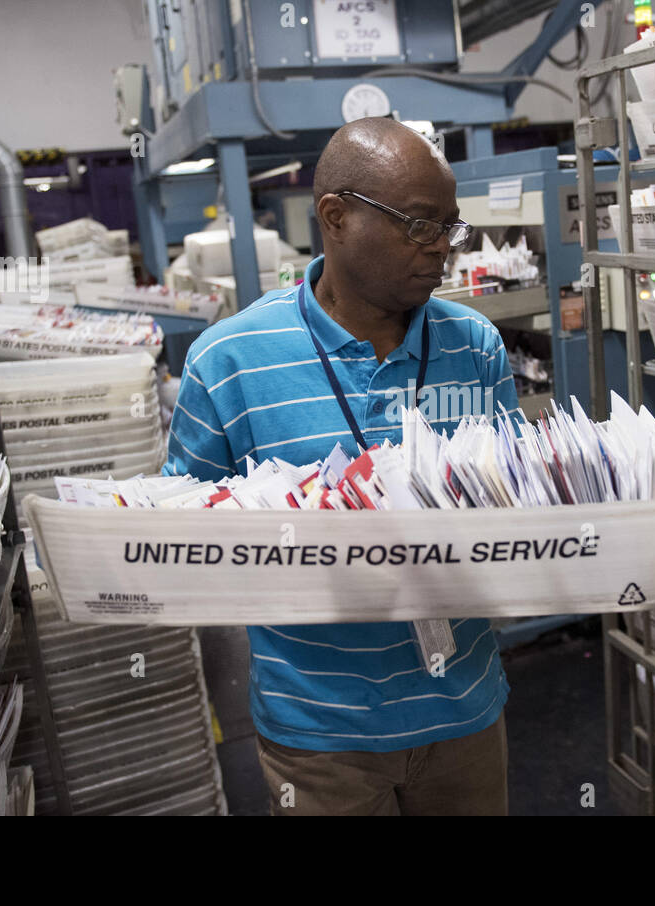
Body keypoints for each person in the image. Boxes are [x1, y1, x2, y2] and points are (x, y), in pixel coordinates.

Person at [163, 117, 520, 815]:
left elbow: (513, 506)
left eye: (452, 228)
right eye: (421, 226)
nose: (442, 249)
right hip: (320, 735)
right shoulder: (228, 363)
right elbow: (186, 548)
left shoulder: (473, 345)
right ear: (335, 217)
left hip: (466, 709)